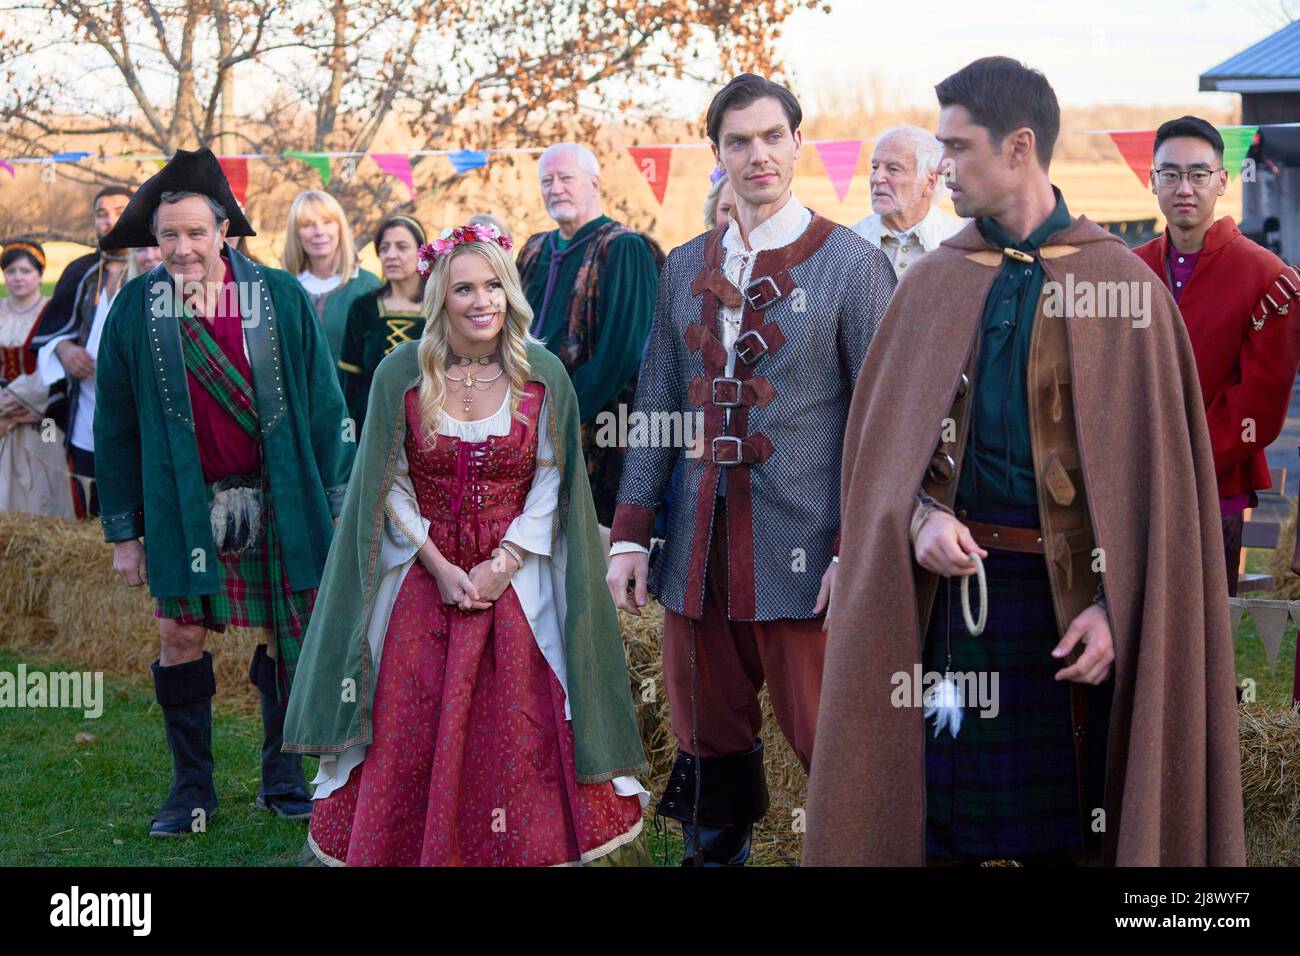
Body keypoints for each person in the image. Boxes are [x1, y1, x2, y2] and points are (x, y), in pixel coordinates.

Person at [804, 57, 1245, 867]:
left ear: (1019, 147)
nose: (942, 168)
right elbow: (878, 458)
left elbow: (1165, 498)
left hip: (1069, 614)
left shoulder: (1124, 287)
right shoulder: (933, 282)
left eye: (957, 148)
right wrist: (916, 517)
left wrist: (1120, 607)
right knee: (936, 830)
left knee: (1077, 834)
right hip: (950, 609)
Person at [284, 222, 650, 867]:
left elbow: (554, 479)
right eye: (464, 289)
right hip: (424, 576)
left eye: (494, 287)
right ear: (439, 298)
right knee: (410, 717)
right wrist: (438, 562)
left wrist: (504, 562)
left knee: (519, 723)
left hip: (518, 575)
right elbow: (387, 480)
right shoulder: (402, 372)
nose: (482, 302)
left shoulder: (541, 374)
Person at [606, 73, 896, 865]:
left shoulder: (853, 265)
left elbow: (881, 427)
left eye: (773, 136)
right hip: (696, 554)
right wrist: (631, 532)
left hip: (804, 549)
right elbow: (659, 403)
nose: (758, 154)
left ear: (799, 142)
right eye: (740, 140)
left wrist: (852, 549)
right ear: (717, 154)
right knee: (708, 743)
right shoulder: (681, 265)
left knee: (826, 738)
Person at [93, 148, 355, 837]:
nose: (181, 249)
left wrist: (337, 505)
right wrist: (123, 531)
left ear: (223, 233)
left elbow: (326, 407)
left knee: (284, 636)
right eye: (168, 235)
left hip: (282, 502)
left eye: (195, 233)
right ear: (155, 239)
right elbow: (113, 425)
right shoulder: (135, 309)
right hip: (183, 507)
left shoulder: (280, 298)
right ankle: (192, 791)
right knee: (177, 636)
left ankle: (283, 776)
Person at [1133, 116, 1300, 596]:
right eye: (1170, 174)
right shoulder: (1130, 269)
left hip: (1216, 486)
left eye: (1198, 174)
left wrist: (1184, 460)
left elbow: (1260, 404)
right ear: (1152, 180)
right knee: (1131, 623)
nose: (1184, 187)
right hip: (1133, 482)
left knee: (1202, 627)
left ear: (1223, 181)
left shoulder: (1267, 276)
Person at [516, 142, 663, 525]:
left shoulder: (624, 248)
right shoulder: (534, 249)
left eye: (566, 178)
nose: (556, 188)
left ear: (594, 183)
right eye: (546, 180)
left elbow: (622, 354)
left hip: (599, 433)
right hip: (526, 423)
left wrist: (559, 414)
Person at [29, 185, 133, 517]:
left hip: (138, 411)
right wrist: (63, 349)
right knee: (92, 500)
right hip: (87, 410)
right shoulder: (81, 271)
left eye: (119, 211)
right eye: (101, 214)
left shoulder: (155, 268)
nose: (109, 221)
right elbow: (50, 330)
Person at [0, 240, 74, 516]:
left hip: (43, 416)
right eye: (10, 271)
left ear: (40, 274)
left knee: (43, 481)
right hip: (2, 416)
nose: (17, 277)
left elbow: (55, 368)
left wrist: (18, 402)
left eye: (25, 271)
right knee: (7, 484)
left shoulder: (53, 312)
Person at [337, 215, 427, 432]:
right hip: (372, 425)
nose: (391, 255)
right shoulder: (363, 308)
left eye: (401, 247)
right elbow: (350, 382)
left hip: (430, 427)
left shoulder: (440, 308)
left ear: (421, 252)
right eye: (384, 248)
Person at [851, 125, 965, 277]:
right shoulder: (850, 242)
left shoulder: (956, 244)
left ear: (930, 182)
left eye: (893, 169)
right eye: (875, 167)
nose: (877, 178)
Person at [282, 189, 381, 363]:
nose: (319, 231)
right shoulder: (284, 288)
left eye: (327, 222)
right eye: (307, 225)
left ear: (340, 228)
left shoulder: (368, 285)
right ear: (296, 234)